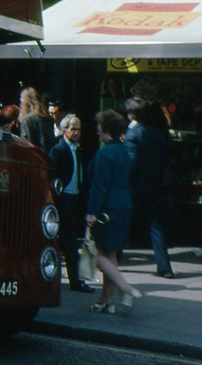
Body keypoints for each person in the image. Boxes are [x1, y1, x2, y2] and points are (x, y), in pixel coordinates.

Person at [87, 109, 143, 315]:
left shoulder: (105, 153)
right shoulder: (123, 152)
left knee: (98, 254)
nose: (96, 130)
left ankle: (125, 287)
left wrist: (92, 211)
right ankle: (106, 300)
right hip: (124, 206)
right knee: (111, 254)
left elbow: (99, 186)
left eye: (98, 127)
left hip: (107, 208)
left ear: (104, 129)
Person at [125, 97, 175, 278]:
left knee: (124, 223)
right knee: (156, 226)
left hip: (135, 188)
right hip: (155, 186)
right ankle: (165, 267)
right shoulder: (157, 133)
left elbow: (131, 163)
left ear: (130, 115)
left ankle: (112, 260)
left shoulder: (132, 135)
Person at [49, 114, 94, 292]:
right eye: (73, 129)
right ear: (64, 130)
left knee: (70, 241)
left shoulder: (79, 150)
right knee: (67, 242)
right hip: (63, 201)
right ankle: (75, 281)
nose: (76, 132)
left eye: (79, 129)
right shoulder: (58, 151)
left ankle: (73, 279)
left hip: (75, 199)